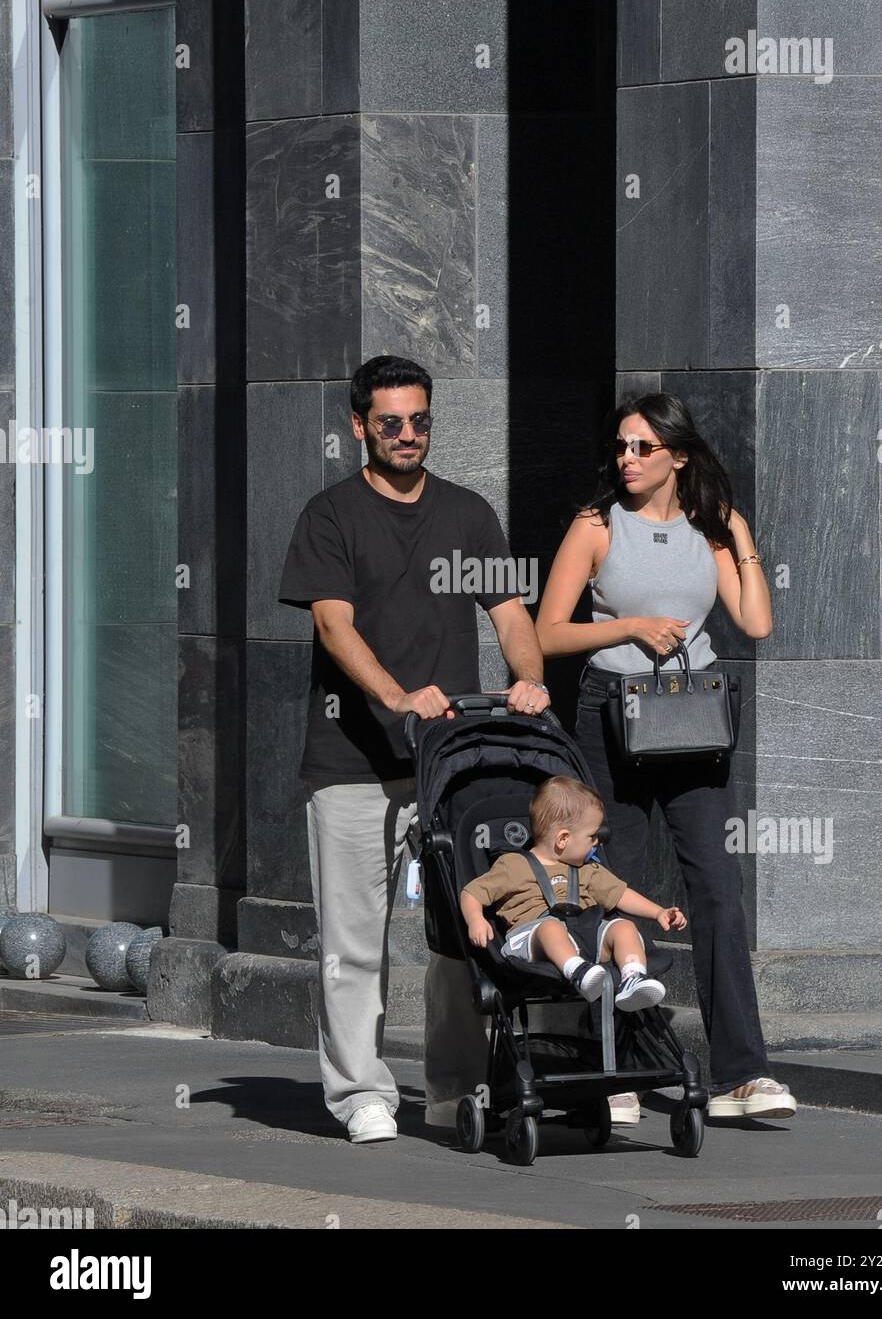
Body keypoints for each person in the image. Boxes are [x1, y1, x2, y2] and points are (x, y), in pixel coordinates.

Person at [278, 354, 550, 1144]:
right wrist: (396, 697)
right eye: (389, 423)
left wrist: (527, 679)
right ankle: (361, 1091)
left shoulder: (467, 513)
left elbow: (508, 611)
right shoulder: (329, 515)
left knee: (462, 935)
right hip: (352, 760)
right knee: (354, 942)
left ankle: (451, 1090)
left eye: (420, 421)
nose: (407, 435)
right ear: (357, 426)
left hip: (453, 765)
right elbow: (334, 624)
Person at [535, 392, 797, 1123]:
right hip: (608, 717)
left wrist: (737, 532)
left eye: (642, 448)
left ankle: (743, 1076)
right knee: (608, 888)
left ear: (677, 456)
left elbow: (756, 621)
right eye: (620, 447)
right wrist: (628, 626)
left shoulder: (710, 530)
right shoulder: (594, 527)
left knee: (715, 886)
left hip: (689, 720)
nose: (626, 460)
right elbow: (546, 633)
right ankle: (612, 1072)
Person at [460, 775, 685, 1010]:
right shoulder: (513, 865)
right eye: (592, 836)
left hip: (584, 933)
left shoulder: (588, 870)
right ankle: (577, 972)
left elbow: (621, 894)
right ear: (563, 839)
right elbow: (472, 893)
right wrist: (476, 919)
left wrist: (658, 912)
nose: (598, 841)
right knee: (551, 928)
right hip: (532, 938)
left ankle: (633, 978)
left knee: (624, 927)